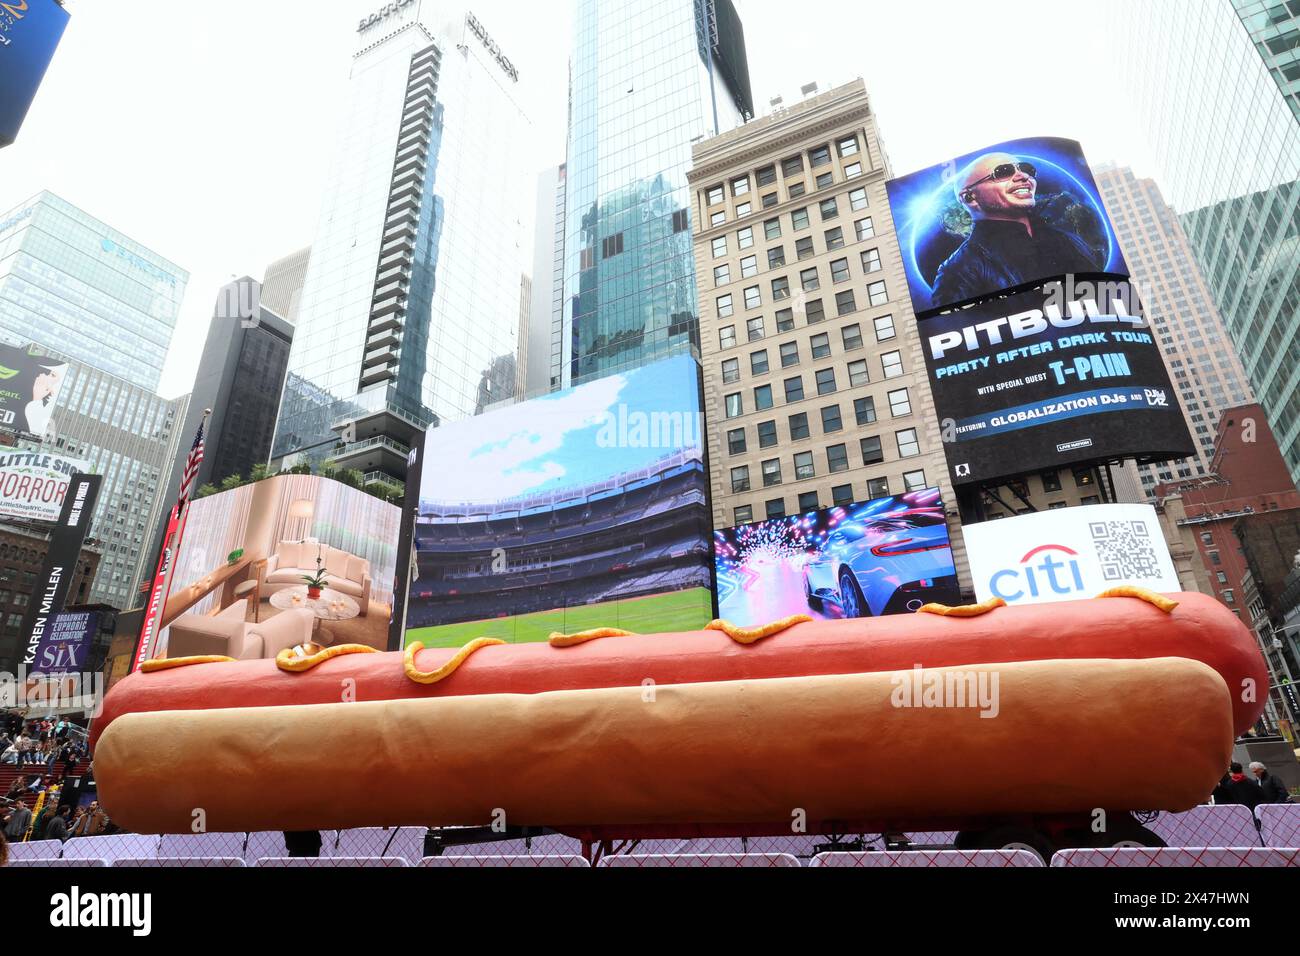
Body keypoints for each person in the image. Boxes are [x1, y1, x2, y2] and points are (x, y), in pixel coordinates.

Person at [932, 151, 1105, 307]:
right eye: (1003, 172)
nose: (1023, 176)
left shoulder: (1067, 239)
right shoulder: (959, 269)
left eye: (1026, 169)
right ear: (970, 198)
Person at [22, 363, 66, 437]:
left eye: (52, 375)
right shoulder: (27, 390)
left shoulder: (48, 407)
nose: (43, 375)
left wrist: (37, 398)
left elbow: (34, 428)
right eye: (48, 373)